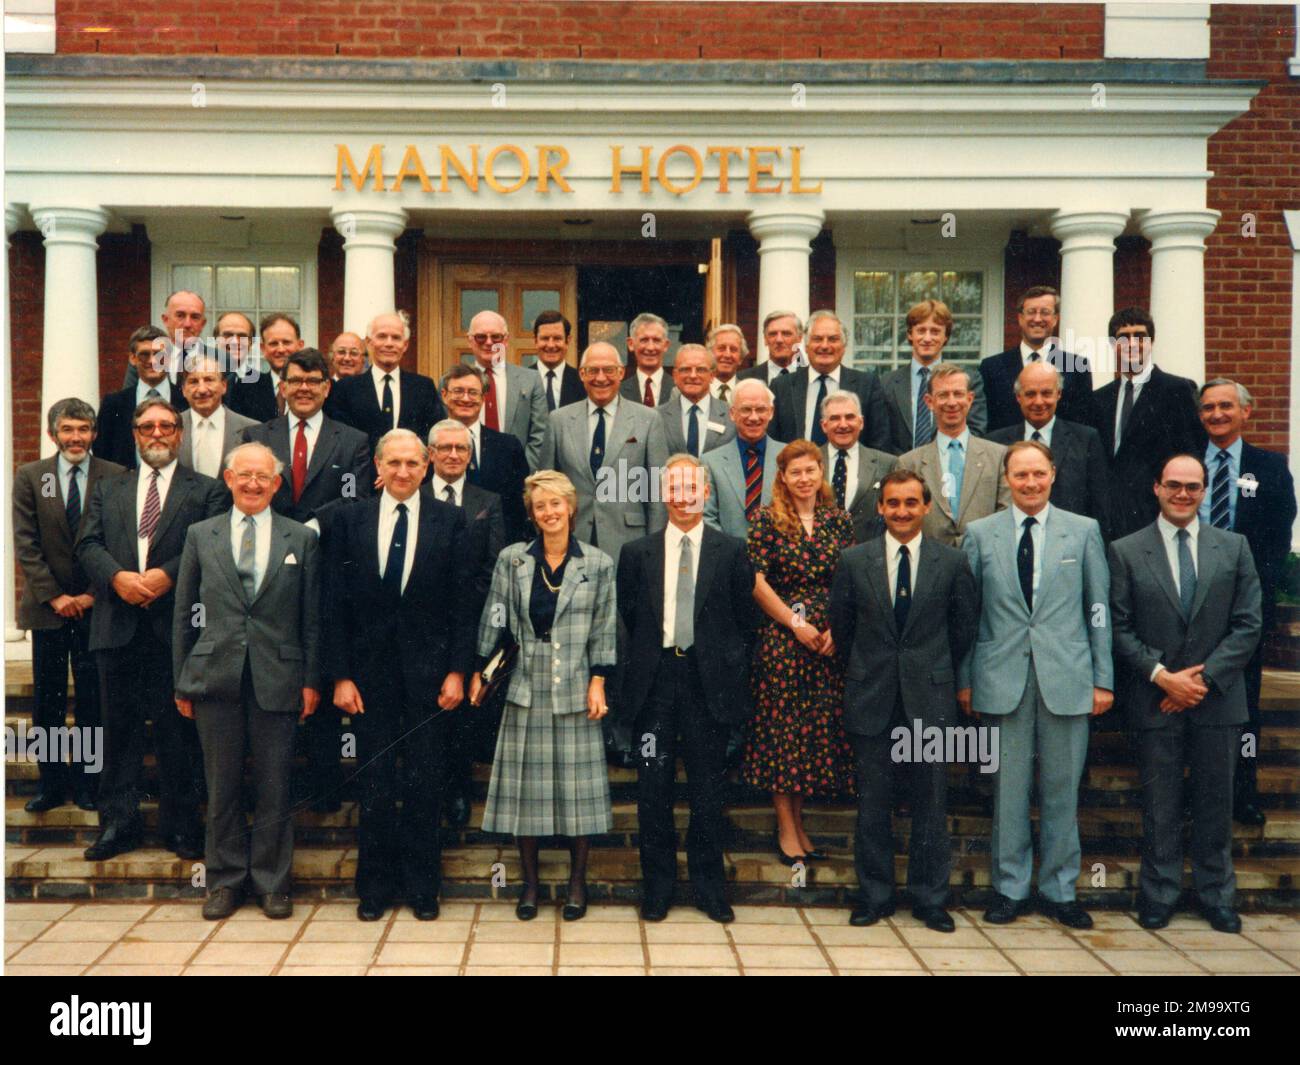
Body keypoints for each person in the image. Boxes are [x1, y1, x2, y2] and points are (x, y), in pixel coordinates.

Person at [958, 441, 1113, 929]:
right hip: (1000, 677)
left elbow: (1098, 610)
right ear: (1007, 478)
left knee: (1063, 789)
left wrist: (1102, 679)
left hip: (1067, 677)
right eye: (1020, 475)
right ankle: (1010, 888)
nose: (1029, 483)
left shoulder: (1083, 531)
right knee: (1008, 790)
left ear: (1053, 474)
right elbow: (967, 616)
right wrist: (966, 680)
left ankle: (1060, 889)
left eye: (1038, 474)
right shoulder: (980, 534)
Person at [1109, 454, 1262, 935]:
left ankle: (1217, 896)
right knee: (1161, 803)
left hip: (1218, 699)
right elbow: (1117, 626)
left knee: (1216, 801)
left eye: (1192, 486)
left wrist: (1201, 680)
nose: (1182, 494)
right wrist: (1162, 677)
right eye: (1173, 484)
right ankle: (1160, 894)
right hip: (1155, 696)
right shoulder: (1126, 550)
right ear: (1156, 487)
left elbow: (1248, 623)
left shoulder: (1233, 548)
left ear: (1203, 490)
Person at [327, 429, 475, 922]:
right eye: (395, 463)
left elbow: (462, 606)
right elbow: (336, 609)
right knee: (374, 784)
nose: (404, 472)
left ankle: (422, 888)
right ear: (378, 466)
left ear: (428, 466)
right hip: (368, 682)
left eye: (413, 463)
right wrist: (341, 676)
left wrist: (458, 671)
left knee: (424, 784)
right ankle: (373, 888)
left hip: (431, 680)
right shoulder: (349, 520)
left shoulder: (451, 521)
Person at [172, 442, 322, 920]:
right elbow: (184, 614)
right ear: (229, 479)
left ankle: (274, 883)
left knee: (275, 784)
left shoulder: (301, 538)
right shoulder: (201, 534)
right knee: (223, 785)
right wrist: (182, 679)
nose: (254, 484)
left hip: (279, 675)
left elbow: (312, 617)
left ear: (277, 485)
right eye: (244, 475)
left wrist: (311, 679)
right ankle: (224, 881)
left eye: (264, 477)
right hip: (215, 676)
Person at [75, 398, 227, 861]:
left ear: (179, 434)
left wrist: (169, 575)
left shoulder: (206, 490)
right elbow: (87, 542)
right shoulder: (107, 488)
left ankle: (180, 828)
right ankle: (118, 826)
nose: (156, 434)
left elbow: (212, 544)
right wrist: (118, 578)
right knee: (117, 732)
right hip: (116, 626)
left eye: (166, 426)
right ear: (136, 435)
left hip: (175, 631)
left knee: (175, 733)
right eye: (147, 427)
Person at [829, 469, 977, 931]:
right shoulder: (854, 561)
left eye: (911, 503)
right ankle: (874, 896)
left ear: (926, 506)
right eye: (893, 503)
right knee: (872, 803)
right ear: (880, 507)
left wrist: (932, 671)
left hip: (928, 699)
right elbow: (843, 626)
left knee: (931, 801)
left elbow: (964, 629)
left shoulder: (950, 562)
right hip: (872, 695)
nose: (901, 512)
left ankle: (930, 898)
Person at [469, 470, 618, 922]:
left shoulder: (597, 563)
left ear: (571, 508)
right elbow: (495, 615)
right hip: (525, 688)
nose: (549, 513)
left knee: (579, 796)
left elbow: (604, 627)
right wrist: (480, 669)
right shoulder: (513, 560)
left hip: (575, 687)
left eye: (556, 504)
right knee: (526, 795)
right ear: (531, 514)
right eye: (540, 506)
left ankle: (577, 884)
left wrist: (598, 680)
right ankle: (530, 885)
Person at [616, 454, 758, 924]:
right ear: (663, 493)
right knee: (653, 790)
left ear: (707, 493)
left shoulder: (732, 550)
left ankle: (708, 888)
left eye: (691, 488)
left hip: (707, 687)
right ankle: (657, 888)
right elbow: (631, 615)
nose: (683, 497)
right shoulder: (637, 554)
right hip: (655, 686)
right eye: (674, 488)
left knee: (707, 791)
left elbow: (744, 620)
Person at [240, 347, 372, 811]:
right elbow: (249, 491)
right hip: (264, 570)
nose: (303, 388)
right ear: (283, 384)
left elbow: (354, 497)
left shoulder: (353, 439)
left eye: (313, 381)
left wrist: (309, 527)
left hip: (328, 566)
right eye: (295, 380)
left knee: (319, 661)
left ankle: (323, 784)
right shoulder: (256, 435)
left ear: (326, 387)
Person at [743, 440, 857, 864]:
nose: (804, 479)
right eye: (796, 472)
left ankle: (802, 825)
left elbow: (852, 578)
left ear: (821, 472)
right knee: (783, 737)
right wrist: (797, 623)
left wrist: (834, 627)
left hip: (827, 643)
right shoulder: (767, 520)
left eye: (811, 470)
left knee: (812, 736)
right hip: (783, 642)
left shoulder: (838, 520)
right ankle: (787, 830)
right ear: (783, 477)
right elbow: (756, 582)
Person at [13, 398, 125, 812]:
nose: (75, 437)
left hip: (99, 607)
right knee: (49, 701)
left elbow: (119, 541)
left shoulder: (114, 475)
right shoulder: (31, 476)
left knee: (94, 699)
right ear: (52, 434)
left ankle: (88, 783)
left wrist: (93, 594)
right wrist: (56, 596)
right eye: (67, 430)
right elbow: (26, 542)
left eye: (83, 429)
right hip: (48, 609)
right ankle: (51, 783)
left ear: (94, 433)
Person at [1197, 379, 1297, 825]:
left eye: (1225, 406)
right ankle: (1193, 789)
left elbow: (1277, 540)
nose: (1216, 414)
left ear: (1246, 412)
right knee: (1189, 699)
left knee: (1245, 706)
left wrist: (1251, 597)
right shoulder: (1186, 463)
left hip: (1243, 611)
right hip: (1189, 604)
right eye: (1208, 408)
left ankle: (1244, 790)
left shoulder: (1270, 467)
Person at [428, 417, 508, 829]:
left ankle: (458, 793)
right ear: (431, 455)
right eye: (445, 449)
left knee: (460, 714)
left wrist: (464, 603)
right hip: (422, 626)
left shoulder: (486, 500)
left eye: (461, 449)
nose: (454, 455)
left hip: (471, 621)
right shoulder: (416, 493)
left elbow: (495, 564)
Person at [537, 341, 669, 567]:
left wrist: (655, 545)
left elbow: (657, 490)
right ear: (581, 374)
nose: (601, 378)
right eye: (592, 370)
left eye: (608, 370)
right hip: (571, 536)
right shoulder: (559, 420)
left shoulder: (648, 419)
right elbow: (545, 485)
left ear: (621, 372)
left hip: (629, 540)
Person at [1085, 307, 1204, 540]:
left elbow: (1192, 451)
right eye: (1123, 337)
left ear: (1151, 342)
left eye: (1140, 337)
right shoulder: (1099, 399)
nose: (1132, 343)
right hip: (1107, 517)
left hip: (1154, 514)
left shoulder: (1177, 390)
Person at [987, 361, 1110, 538]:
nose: (1039, 402)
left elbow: (1100, 507)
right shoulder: (996, 443)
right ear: (1018, 397)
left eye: (1046, 393)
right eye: (1030, 394)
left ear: (1058, 394)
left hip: (1070, 545)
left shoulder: (1086, 439)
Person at [898, 364, 1009, 547]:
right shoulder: (909, 463)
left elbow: (1005, 516)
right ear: (929, 402)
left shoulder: (999, 457)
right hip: (931, 562)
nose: (951, 402)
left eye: (958, 394)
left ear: (970, 399)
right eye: (943, 395)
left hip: (984, 557)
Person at [328, 312, 447, 456]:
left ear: (405, 345)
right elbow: (342, 441)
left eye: (396, 338)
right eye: (382, 336)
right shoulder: (345, 388)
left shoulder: (423, 387)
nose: (389, 343)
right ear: (369, 342)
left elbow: (435, 435)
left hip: (410, 475)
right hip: (361, 475)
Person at [880, 299, 988, 453]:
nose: (927, 338)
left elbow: (977, 429)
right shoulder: (887, 382)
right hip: (900, 471)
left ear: (946, 337)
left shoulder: (968, 379)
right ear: (910, 335)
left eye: (935, 331)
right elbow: (881, 437)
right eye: (921, 330)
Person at [771, 310, 889, 451]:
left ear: (844, 347)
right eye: (817, 339)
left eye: (833, 339)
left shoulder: (867, 385)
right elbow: (773, 443)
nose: (825, 346)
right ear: (806, 346)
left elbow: (880, 442)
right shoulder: (781, 386)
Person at [979, 285, 1092, 432]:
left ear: (1055, 319)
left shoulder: (1077, 366)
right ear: (1020, 318)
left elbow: (1084, 423)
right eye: (1031, 312)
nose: (1037, 319)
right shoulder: (991, 367)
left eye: (1045, 312)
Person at [441, 362, 530, 544]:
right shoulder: (425, 445)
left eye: (473, 392)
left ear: (483, 398)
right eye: (458, 391)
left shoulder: (508, 446)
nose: (466, 399)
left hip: (495, 549)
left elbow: (518, 507)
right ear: (444, 395)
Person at [463, 309, 548, 468]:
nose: (489, 343)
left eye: (496, 337)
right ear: (470, 341)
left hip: (516, 478)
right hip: (468, 477)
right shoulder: (455, 383)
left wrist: (520, 473)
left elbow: (540, 436)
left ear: (506, 341)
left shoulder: (531, 380)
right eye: (481, 337)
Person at [702, 378, 782, 539]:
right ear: (732, 413)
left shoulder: (788, 457)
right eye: (746, 409)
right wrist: (731, 552)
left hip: (780, 559)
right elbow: (705, 517)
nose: (753, 417)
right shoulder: (709, 461)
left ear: (771, 412)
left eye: (760, 409)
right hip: (729, 559)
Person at [97, 327, 187, 469]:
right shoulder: (113, 404)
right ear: (133, 358)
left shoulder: (186, 400)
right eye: (144, 355)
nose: (152, 361)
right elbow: (101, 454)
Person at [819, 391, 897, 543]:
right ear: (824, 425)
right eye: (835, 418)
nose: (843, 425)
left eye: (850, 417)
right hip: (817, 556)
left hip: (869, 555)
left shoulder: (887, 463)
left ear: (861, 422)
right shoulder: (809, 461)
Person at [179, 353, 258, 479]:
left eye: (209, 380)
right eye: (193, 382)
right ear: (183, 390)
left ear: (224, 386)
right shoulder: (171, 427)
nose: (202, 390)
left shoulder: (252, 429)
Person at [225, 312, 305, 424]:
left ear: (300, 346)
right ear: (263, 349)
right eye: (273, 343)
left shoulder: (317, 387)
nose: (281, 349)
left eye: (286, 342)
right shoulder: (245, 389)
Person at [658, 343, 735, 457]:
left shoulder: (732, 415)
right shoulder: (657, 417)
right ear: (675, 375)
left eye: (701, 369)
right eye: (685, 369)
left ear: (712, 375)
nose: (693, 375)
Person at [122, 290, 207, 390]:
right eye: (180, 316)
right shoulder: (145, 358)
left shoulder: (221, 361)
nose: (187, 324)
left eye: (195, 317)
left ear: (203, 324)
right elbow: (131, 398)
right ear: (165, 320)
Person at [620, 312, 676, 407]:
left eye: (656, 340)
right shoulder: (618, 392)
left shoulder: (678, 389)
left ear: (666, 345)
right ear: (631, 344)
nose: (650, 347)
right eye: (644, 340)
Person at [532, 310, 585, 411]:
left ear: (568, 341)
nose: (551, 345)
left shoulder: (582, 381)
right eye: (545, 338)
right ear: (535, 341)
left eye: (557, 338)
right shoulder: (523, 380)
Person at [738, 310, 804, 386]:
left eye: (786, 334)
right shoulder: (744, 379)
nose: (779, 340)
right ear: (765, 339)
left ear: (799, 338)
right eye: (773, 334)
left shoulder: (811, 377)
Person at [707, 323, 746, 404]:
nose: (727, 355)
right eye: (721, 348)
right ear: (710, 354)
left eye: (733, 349)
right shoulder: (691, 390)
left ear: (741, 358)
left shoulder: (749, 392)